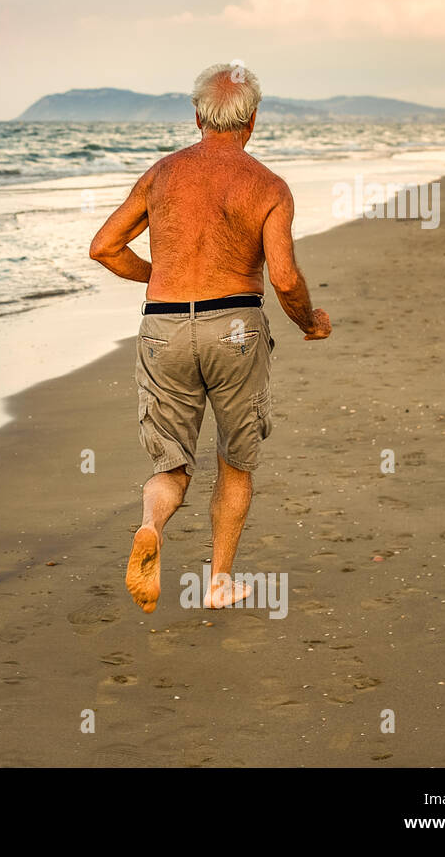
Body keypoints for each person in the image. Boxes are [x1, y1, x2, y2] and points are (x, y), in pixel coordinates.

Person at [88, 63, 332, 613]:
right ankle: (219, 582)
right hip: (235, 327)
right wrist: (309, 321)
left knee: (170, 466)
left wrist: (161, 277)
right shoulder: (268, 186)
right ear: (253, 121)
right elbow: (286, 278)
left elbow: (103, 247)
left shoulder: (162, 175)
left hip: (164, 328)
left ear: (197, 116)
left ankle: (151, 525)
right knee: (234, 461)